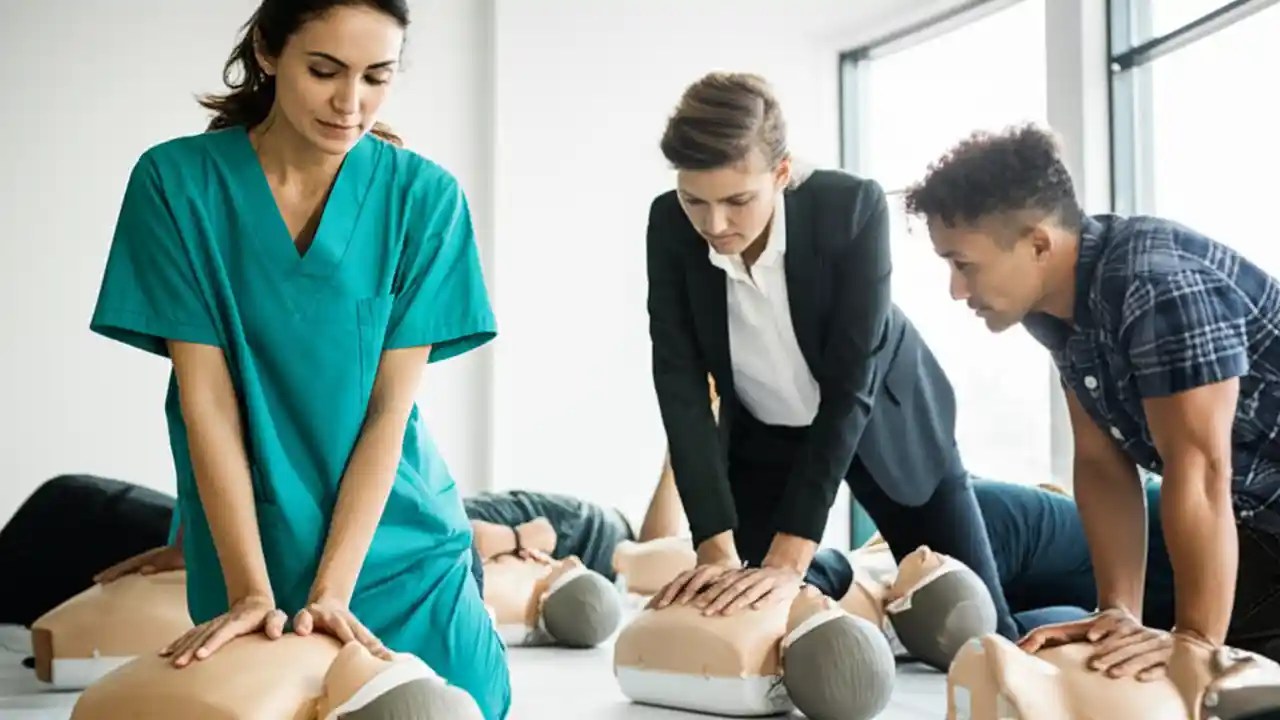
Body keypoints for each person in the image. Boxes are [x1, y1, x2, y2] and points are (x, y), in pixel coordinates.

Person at [84, 1, 509, 717]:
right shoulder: (176, 183)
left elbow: (387, 412)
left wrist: (333, 596)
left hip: (399, 538)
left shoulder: (424, 198)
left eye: (378, 76)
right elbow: (207, 404)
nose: (351, 103)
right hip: (254, 547)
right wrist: (251, 589)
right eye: (325, 71)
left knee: (462, 707)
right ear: (268, 52)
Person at [642, 71, 1018, 640]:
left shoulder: (850, 208)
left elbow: (851, 387)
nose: (713, 224)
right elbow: (680, 384)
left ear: (782, 173)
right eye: (695, 199)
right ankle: (843, 582)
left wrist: (791, 556)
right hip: (765, 435)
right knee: (747, 616)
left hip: (884, 420)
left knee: (977, 630)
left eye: (738, 200)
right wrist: (713, 544)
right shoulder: (670, 225)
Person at [904, 123, 1280, 675]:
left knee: (1214, 690)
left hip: (1240, 514)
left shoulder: (1157, 286)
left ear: (1037, 244)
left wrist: (1196, 642)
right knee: (1106, 661)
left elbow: (1200, 469)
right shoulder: (1056, 308)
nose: (957, 290)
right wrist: (1117, 612)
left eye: (963, 264)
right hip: (1257, 529)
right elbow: (1103, 462)